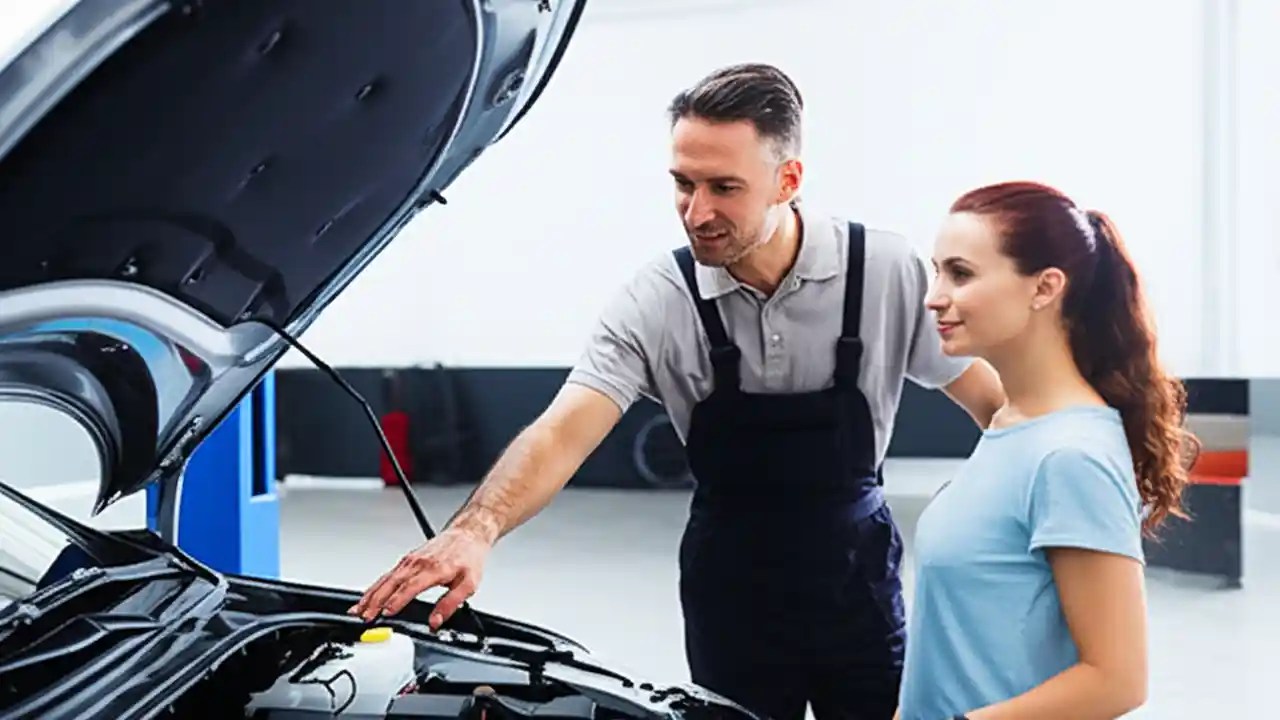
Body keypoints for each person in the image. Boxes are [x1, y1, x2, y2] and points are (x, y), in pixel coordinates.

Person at [350, 62, 1005, 720]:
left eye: (724, 187)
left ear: (789, 180)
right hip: (732, 598)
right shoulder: (659, 301)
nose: (697, 212)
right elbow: (561, 431)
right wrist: (475, 530)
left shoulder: (884, 272)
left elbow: (996, 404)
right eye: (683, 184)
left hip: (857, 586)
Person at [895, 181, 1199, 720]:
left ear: (1044, 288)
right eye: (936, 270)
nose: (933, 296)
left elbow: (1116, 680)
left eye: (960, 274)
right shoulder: (1012, 424)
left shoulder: (1070, 457)